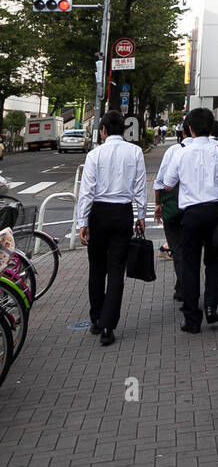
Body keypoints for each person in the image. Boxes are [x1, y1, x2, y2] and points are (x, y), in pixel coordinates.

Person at [162, 106, 218, 334]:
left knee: (190, 263)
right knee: (213, 261)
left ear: (190, 129)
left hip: (191, 213)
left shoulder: (181, 152)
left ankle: (192, 319)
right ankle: (210, 307)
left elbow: (168, 184)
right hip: (216, 210)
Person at [77, 110, 147, 346]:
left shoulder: (95, 154)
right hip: (123, 212)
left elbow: (86, 191)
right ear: (124, 129)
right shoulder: (135, 152)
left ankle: (96, 319)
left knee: (96, 267)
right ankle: (108, 325)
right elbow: (140, 186)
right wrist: (141, 215)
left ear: (103, 131)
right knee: (116, 269)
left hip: (99, 213)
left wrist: (82, 222)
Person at [153, 116, 192, 303]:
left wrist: (158, 204)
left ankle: (185, 288)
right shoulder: (213, 149)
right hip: (199, 209)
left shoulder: (174, 150)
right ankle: (183, 285)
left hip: (174, 208)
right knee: (191, 250)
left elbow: (161, 182)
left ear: (183, 131)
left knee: (177, 250)